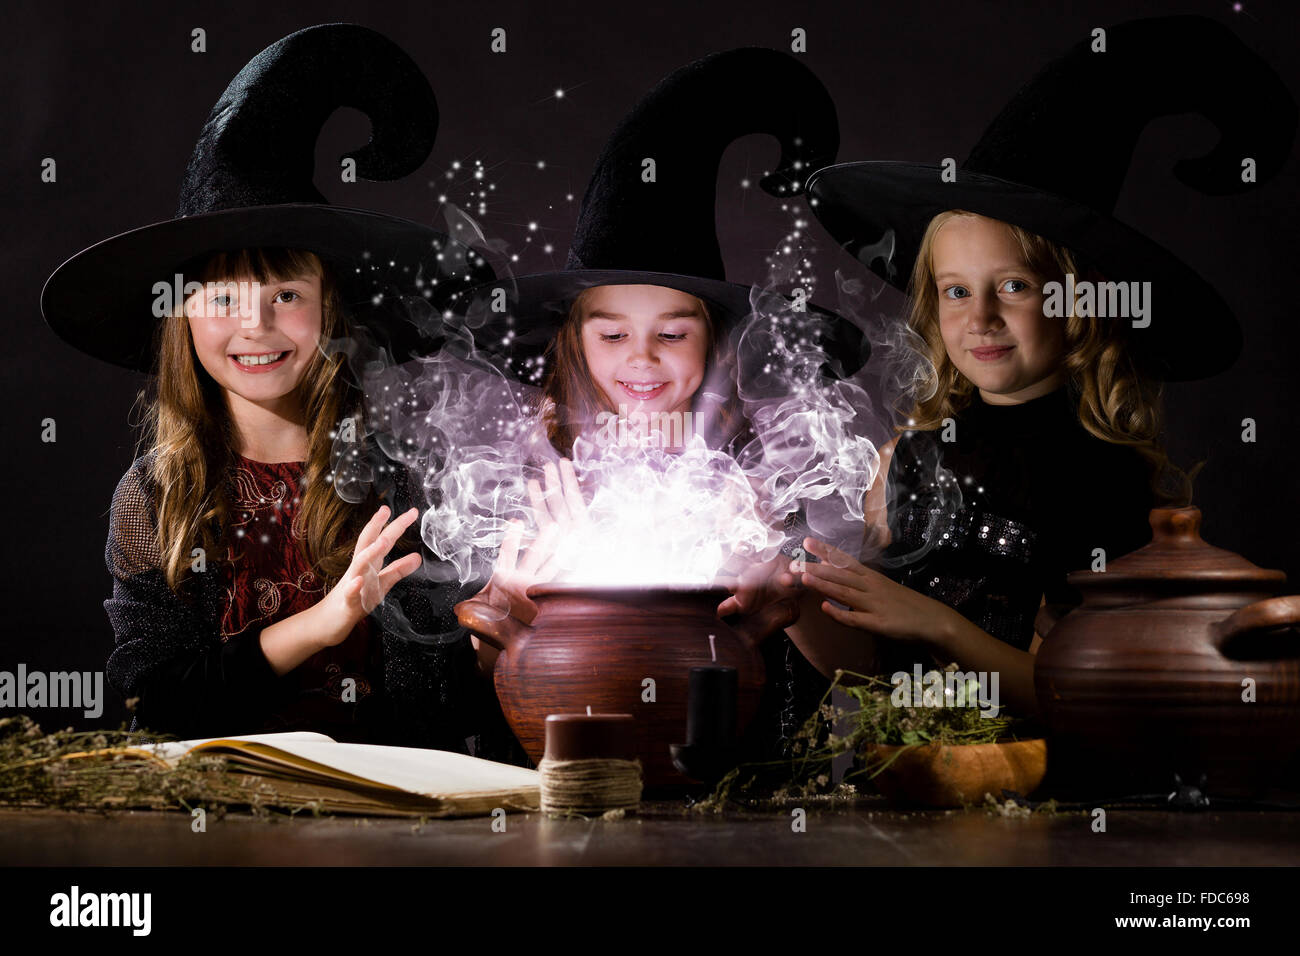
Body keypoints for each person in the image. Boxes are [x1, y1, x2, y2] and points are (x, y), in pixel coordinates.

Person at [781, 14, 1296, 717]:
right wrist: (798, 605)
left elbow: (1085, 695)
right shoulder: (903, 457)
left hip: (1049, 806)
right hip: (907, 792)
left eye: (1014, 287)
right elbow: (874, 673)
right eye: (956, 291)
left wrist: (938, 624)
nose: (980, 317)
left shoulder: (1107, 481)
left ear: (1078, 302)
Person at [40, 25, 501, 751]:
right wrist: (321, 623)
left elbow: (441, 713)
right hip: (215, 820)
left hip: (376, 822)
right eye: (222, 299)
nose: (254, 325)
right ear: (182, 317)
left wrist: (499, 634)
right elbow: (153, 701)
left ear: (330, 311)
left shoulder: (391, 483)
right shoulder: (158, 498)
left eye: (286, 295)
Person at [452, 48, 869, 763]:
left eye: (672, 333)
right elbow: (474, 698)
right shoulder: (522, 483)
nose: (641, 358)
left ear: (714, 345)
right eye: (612, 333)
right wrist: (512, 614)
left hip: (747, 812)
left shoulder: (768, 480)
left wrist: (785, 596)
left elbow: (864, 678)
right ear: (575, 344)